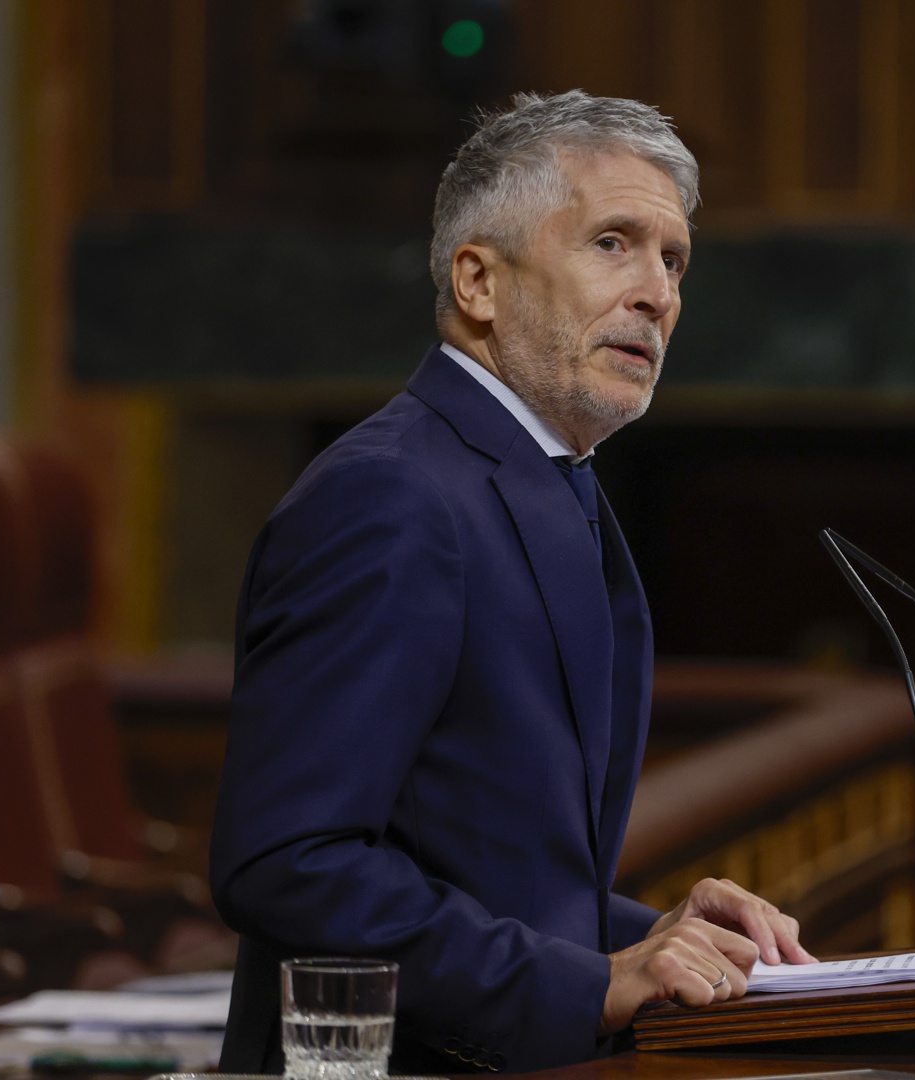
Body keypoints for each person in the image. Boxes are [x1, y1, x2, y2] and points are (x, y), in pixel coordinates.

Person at [209, 91, 814, 1075]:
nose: (657, 293)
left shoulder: (533, 479)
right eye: (613, 243)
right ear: (480, 282)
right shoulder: (392, 496)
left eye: (673, 261)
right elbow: (288, 863)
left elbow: (480, 862)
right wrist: (592, 983)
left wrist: (651, 938)